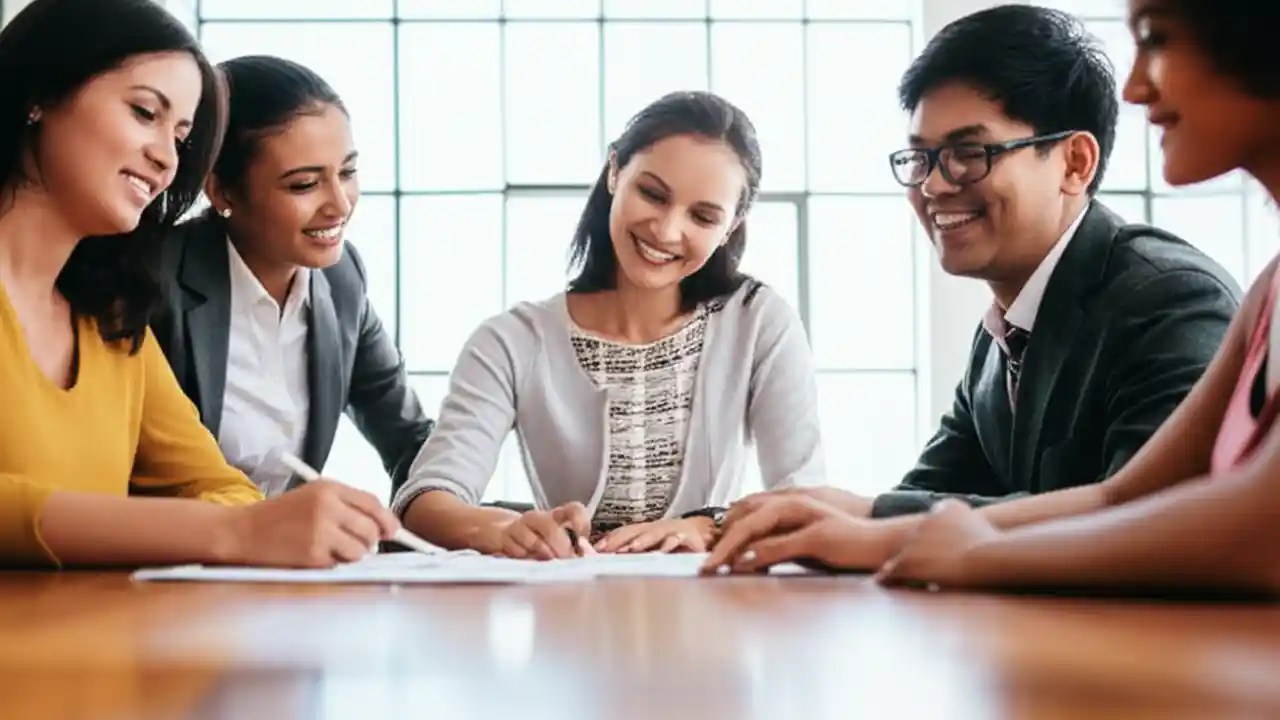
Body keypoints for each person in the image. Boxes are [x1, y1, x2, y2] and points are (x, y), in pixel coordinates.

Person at [707, 1, 1280, 595]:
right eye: (922, 158)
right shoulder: (1004, 332)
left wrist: (955, 548)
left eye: (968, 154)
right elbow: (1121, 494)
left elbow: (1183, 519)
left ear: (1075, 162)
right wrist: (846, 516)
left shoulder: (1170, 295)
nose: (932, 185)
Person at [0, 0, 397, 569]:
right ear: (40, 93)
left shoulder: (110, 320)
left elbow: (214, 484)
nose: (166, 158)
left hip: (92, 649)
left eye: (182, 137)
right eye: (144, 112)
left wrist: (270, 523)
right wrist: (231, 531)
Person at [392, 91, 824, 560]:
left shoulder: (759, 321)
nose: (665, 230)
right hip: (568, 614)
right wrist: (501, 529)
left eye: (702, 215)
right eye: (653, 194)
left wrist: (709, 526)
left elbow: (804, 496)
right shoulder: (512, 341)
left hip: (706, 617)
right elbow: (426, 501)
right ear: (615, 171)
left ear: (732, 224)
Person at [152, 55, 433, 499]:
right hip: (162, 554)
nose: (340, 205)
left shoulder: (341, 279)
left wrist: (484, 522)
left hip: (279, 561)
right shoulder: (156, 278)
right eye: (304, 185)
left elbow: (411, 440)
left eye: (347, 172)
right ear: (221, 190)